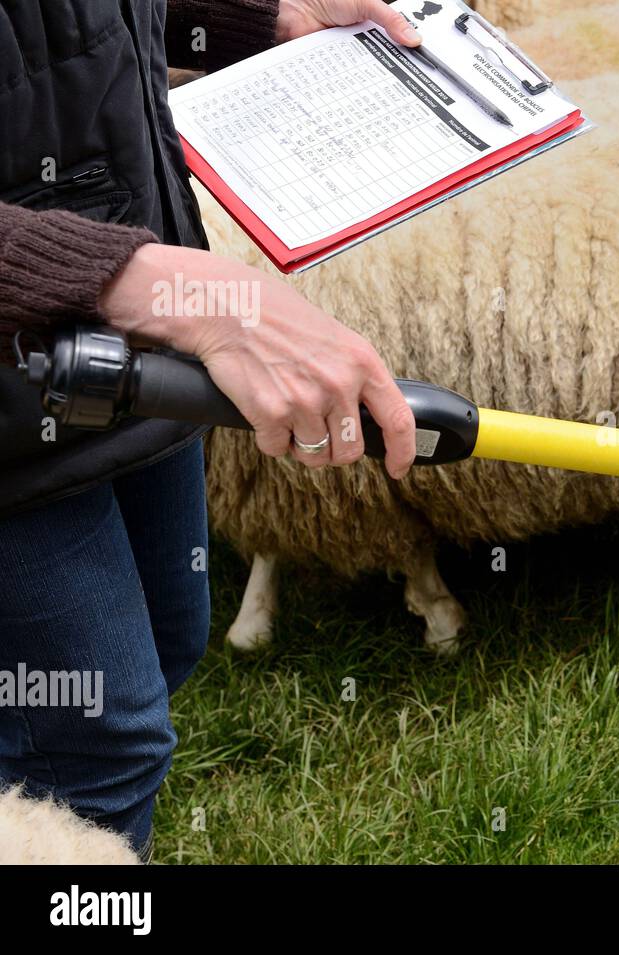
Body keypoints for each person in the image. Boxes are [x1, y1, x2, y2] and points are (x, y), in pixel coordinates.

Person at [0, 0, 423, 858]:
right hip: (34, 386)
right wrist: (143, 282)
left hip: (128, 335)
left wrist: (252, 18)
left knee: (166, 640)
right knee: (95, 742)